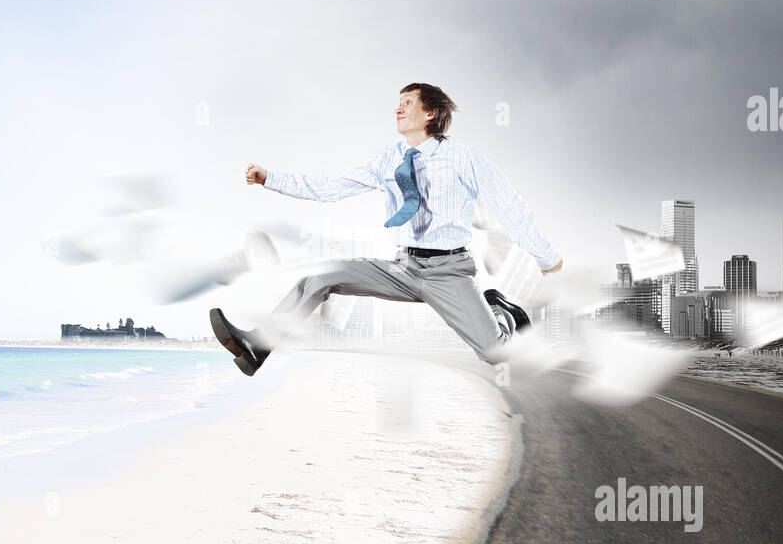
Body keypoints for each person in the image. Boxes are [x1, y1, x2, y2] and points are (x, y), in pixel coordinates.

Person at [209, 82, 562, 376]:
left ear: (431, 113)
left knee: (495, 354)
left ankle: (505, 315)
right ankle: (257, 347)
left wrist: (545, 257)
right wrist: (271, 178)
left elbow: (508, 203)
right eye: (397, 103)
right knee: (320, 277)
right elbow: (332, 186)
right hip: (403, 268)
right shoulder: (387, 159)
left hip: (450, 271)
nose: (398, 109)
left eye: (408, 103)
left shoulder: (465, 159)